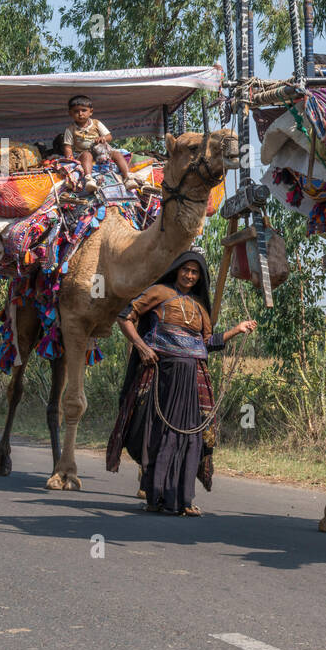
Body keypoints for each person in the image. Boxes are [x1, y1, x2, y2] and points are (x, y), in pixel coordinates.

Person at [106, 249, 256, 516]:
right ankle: (156, 498)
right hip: (162, 376)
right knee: (162, 435)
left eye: (195, 272)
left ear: (200, 277)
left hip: (192, 379)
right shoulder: (158, 292)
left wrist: (237, 329)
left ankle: (183, 500)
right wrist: (141, 347)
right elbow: (124, 316)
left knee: (190, 438)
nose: (189, 275)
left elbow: (208, 343)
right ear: (177, 270)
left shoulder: (200, 306)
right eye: (186, 269)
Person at [63, 94, 132, 188]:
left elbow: (109, 136)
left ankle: (128, 177)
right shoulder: (70, 129)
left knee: (117, 154)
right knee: (87, 155)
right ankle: (89, 179)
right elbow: (68, 147)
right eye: (76, 111)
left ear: (90, 112)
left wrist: (103, 138)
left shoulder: (96, 123)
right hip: (83, 153)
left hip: (101, 152)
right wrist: (70, 159)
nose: (80, 114)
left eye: (84, 110)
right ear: (70, 113)